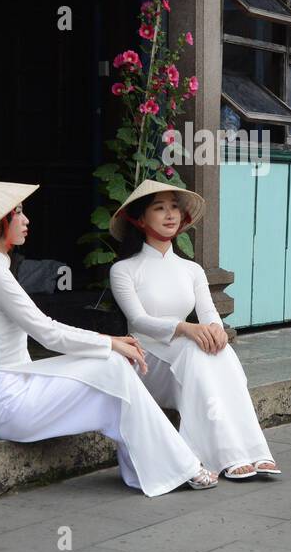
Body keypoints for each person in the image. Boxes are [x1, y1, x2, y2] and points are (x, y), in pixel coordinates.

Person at [0, 180, 218, 494]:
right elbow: (46, 332)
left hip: (16, 385)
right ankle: (179, 465)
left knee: (115, 377)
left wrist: (108, 342)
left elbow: (48, 328)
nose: (26, 220)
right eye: (17, 213)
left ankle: (151, 467)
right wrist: (110, 341)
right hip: (7, 402)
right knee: (112, 364)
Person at [109, 180, 280, 481]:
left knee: (217, 349)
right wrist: (184, 328)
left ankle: (254, 450)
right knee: (193, 349)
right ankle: (226, 455)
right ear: (139, 219)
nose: (170, 214)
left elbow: (210, 314)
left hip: (185, 357)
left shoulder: (192, 270)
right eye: (159, 208)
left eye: (174, 206)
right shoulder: (124, 270)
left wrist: (217, 331)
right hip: (145, 360)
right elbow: (137, 321)